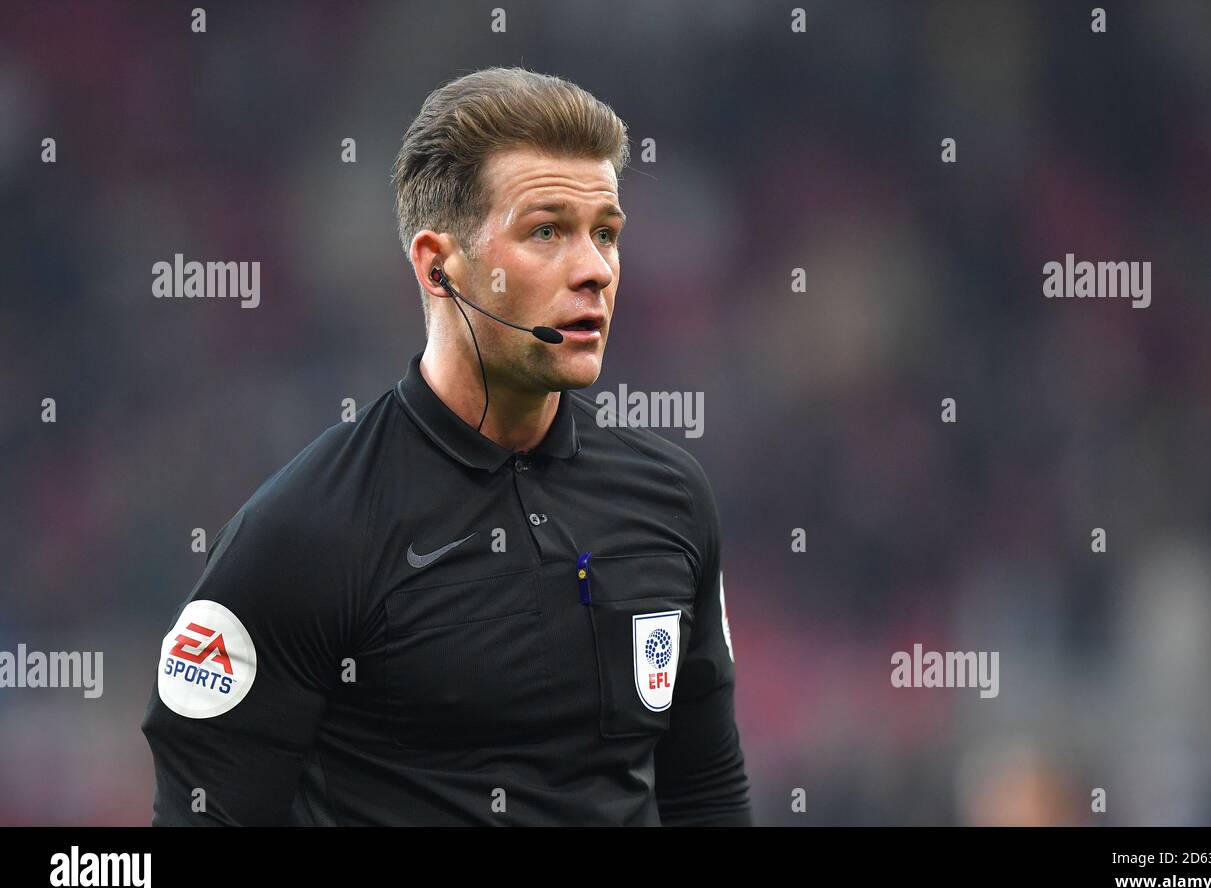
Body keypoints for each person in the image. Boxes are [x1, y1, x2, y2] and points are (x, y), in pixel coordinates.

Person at [141, 66, 753, 825]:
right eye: (547, 231)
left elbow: (705, 793)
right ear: (439, 266)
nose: (595, 270)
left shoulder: (672, 500)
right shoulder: (302, 535)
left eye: (606, 234)